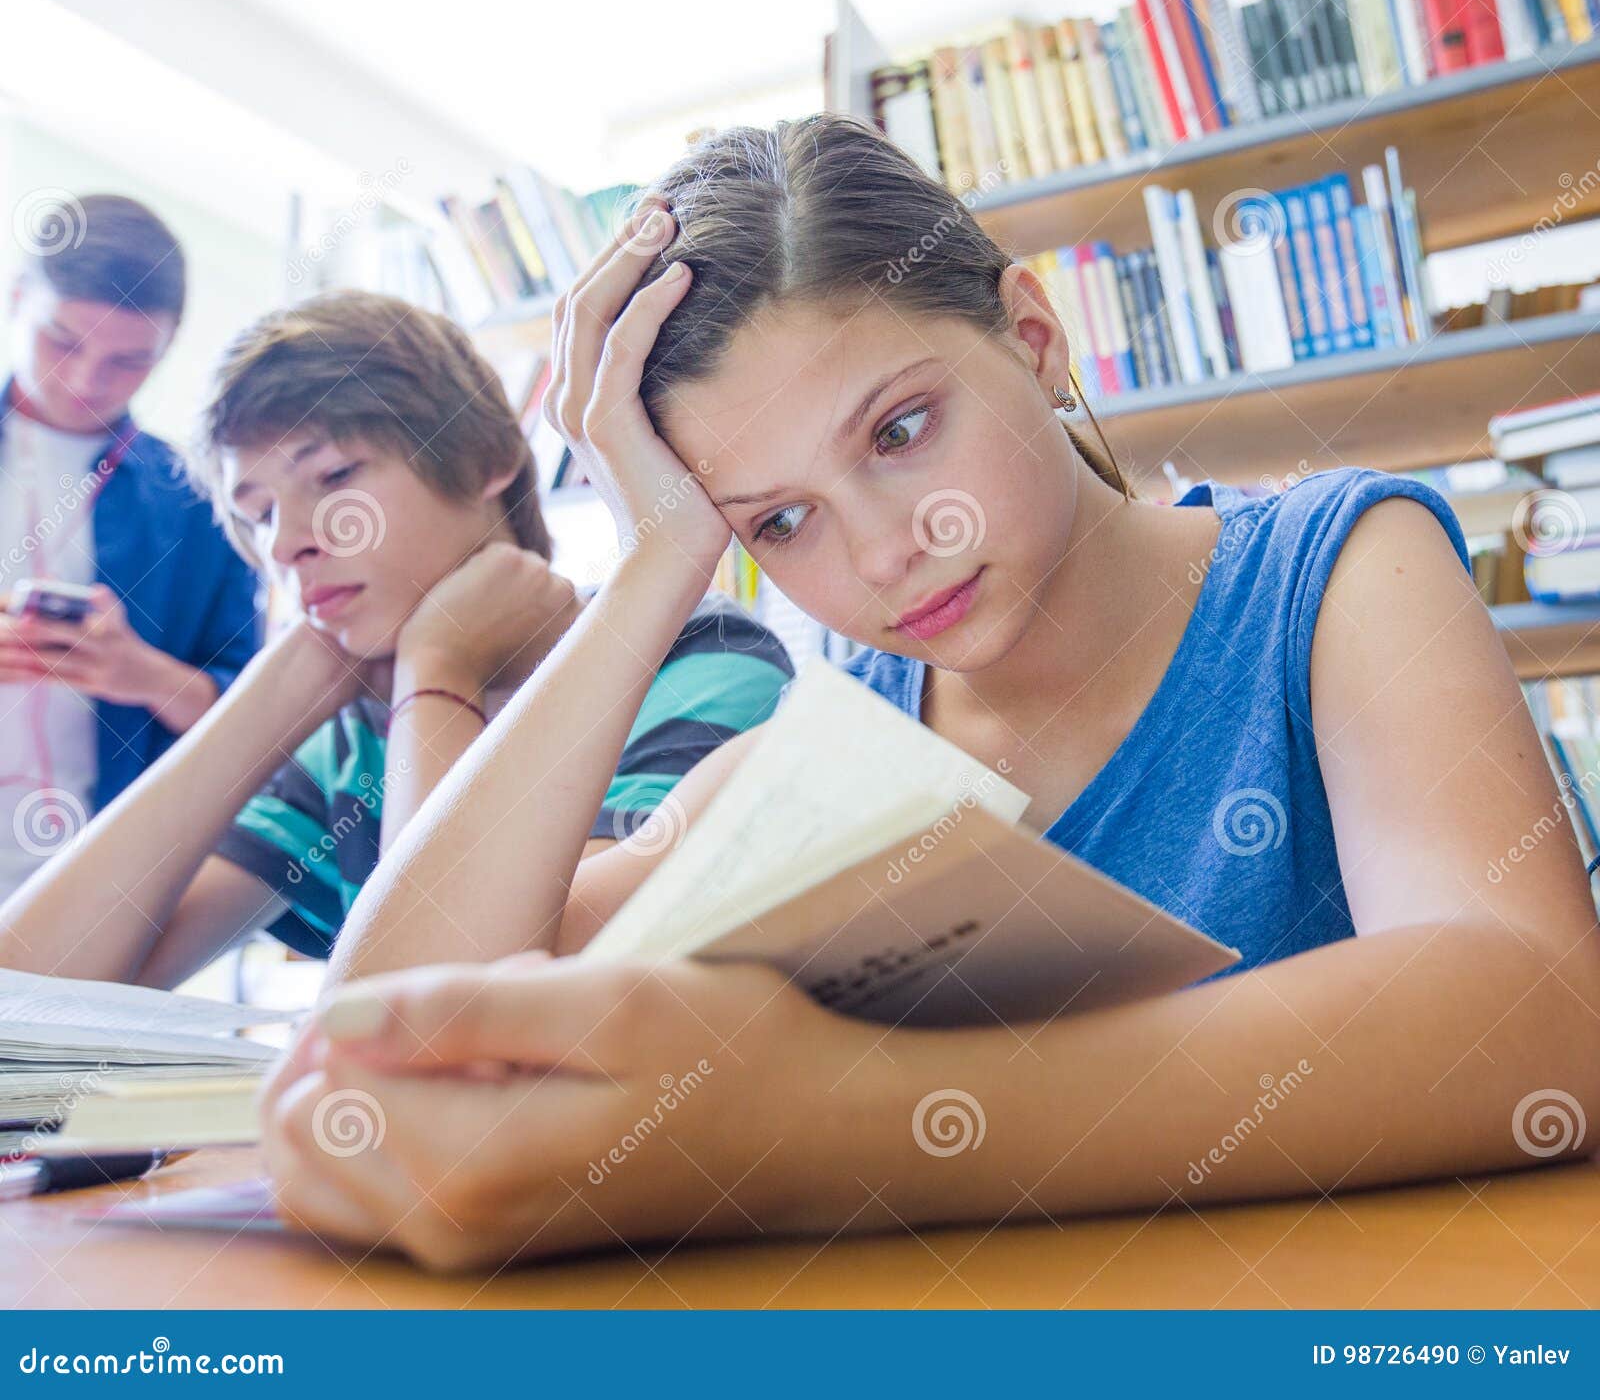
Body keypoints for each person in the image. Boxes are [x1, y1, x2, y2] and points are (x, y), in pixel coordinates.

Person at [261, 115, 1600, 1272]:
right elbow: (401, 1011)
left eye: (901, 431)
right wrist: (654, 567)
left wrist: (831, 1115)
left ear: (1033, 337)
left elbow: (1535, 1013)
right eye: (778, 522)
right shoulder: (851, 730)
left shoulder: (1335, 569)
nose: (886, 550)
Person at [0, 290, 793, 987]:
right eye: (259, 512)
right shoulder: (354, 736)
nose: (286, 545)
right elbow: (25, 997)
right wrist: (274, 692)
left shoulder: (698, 663)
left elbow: (457, 1013)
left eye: (337, 476)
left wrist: (442, 669)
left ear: (486, 459)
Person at [0, 193, 257, 900]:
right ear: (18, 298)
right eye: (63, 341)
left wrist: (141, 674)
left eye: (129, 360)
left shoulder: (197, 499)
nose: (86, 380)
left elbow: (254, 719)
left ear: (168, 348)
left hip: (95, 882)